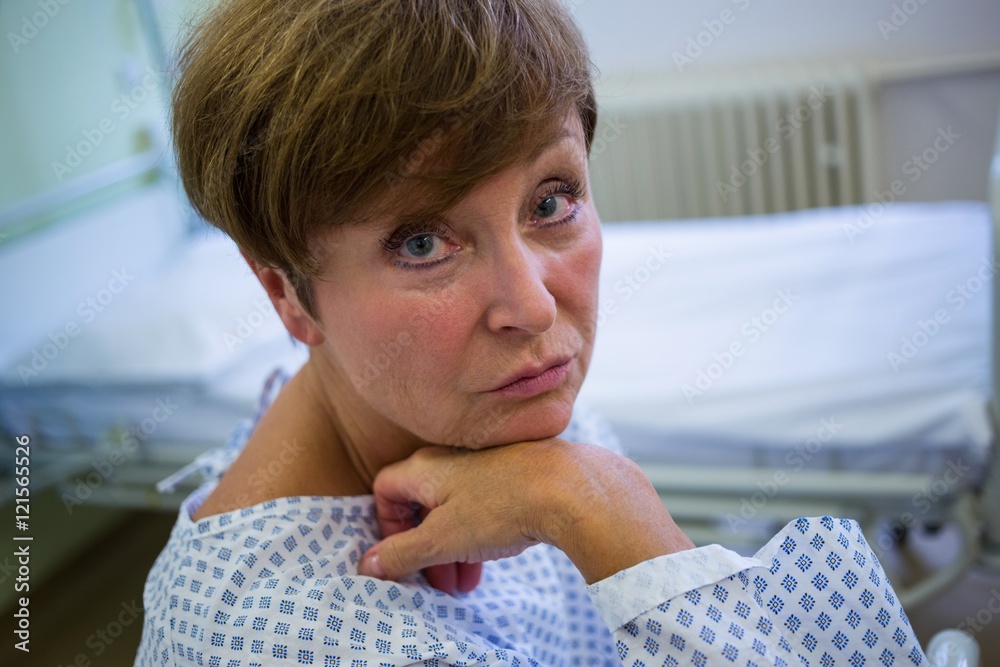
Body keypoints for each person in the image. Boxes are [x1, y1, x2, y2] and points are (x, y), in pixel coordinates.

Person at [136, 0, 931, 664]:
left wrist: (579, 497)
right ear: (285, 290)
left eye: (551, 201)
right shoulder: (280, 643)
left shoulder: (477, 408)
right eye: (423, 243)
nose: (535, 306)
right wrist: (600, 505)